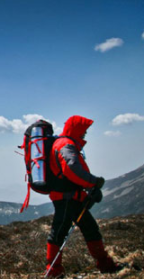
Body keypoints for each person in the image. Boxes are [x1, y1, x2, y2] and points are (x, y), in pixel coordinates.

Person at [45, 115, 121, 278]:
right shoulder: (66, 144)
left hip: (70, 197)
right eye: (84, 131)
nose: (85, 135)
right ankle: (53, 271)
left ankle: (105, 265)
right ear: (76, 130)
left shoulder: (64, 143)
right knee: (59, 233)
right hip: (66, 198)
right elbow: (71, 170)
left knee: (89, 229)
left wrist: (89, 186)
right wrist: (93, 182)